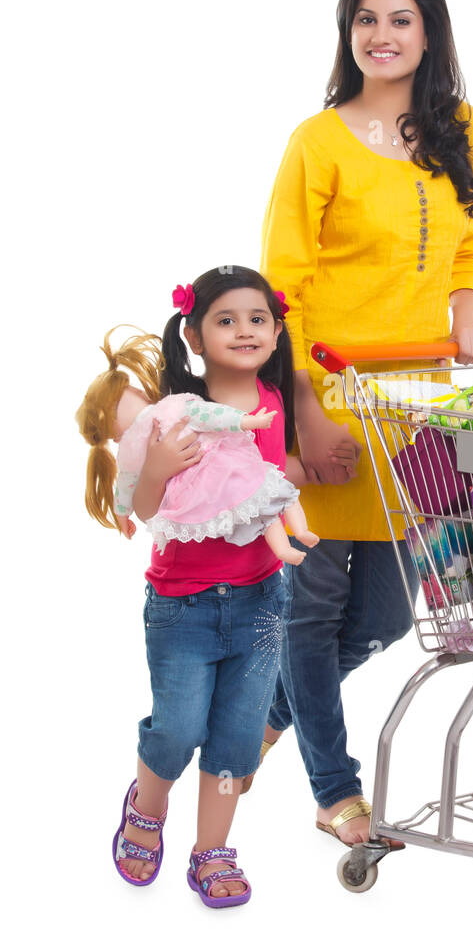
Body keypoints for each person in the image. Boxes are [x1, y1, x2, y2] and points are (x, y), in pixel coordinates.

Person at [259, 0, 473, 845]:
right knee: (313, 609)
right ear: (346, 31)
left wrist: (467, 317)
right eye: (366, 19)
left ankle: (270, 711)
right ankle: (334, 792)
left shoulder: (463, 129)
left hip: (414, 415)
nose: (381, 36)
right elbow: (285, 287)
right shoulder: (316, 143)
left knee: (392, 614)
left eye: (400, 18)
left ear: (428, 29)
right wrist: (307, 413)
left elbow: (472, 245)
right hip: (324, 406)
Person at [76, 266, 332, 907]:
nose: (245, 331)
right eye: (226, 319)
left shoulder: (272, 403)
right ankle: (148, 804)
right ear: (192, 333)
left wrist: (319, 463)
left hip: (262, 599)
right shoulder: (175, 411)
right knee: (177, 728)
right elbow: (144, 503)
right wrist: (159, 466)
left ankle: (211, 850)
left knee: (239, 737)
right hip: (183, 605)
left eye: (257, 319)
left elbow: (267, 474)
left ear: (276, 331)